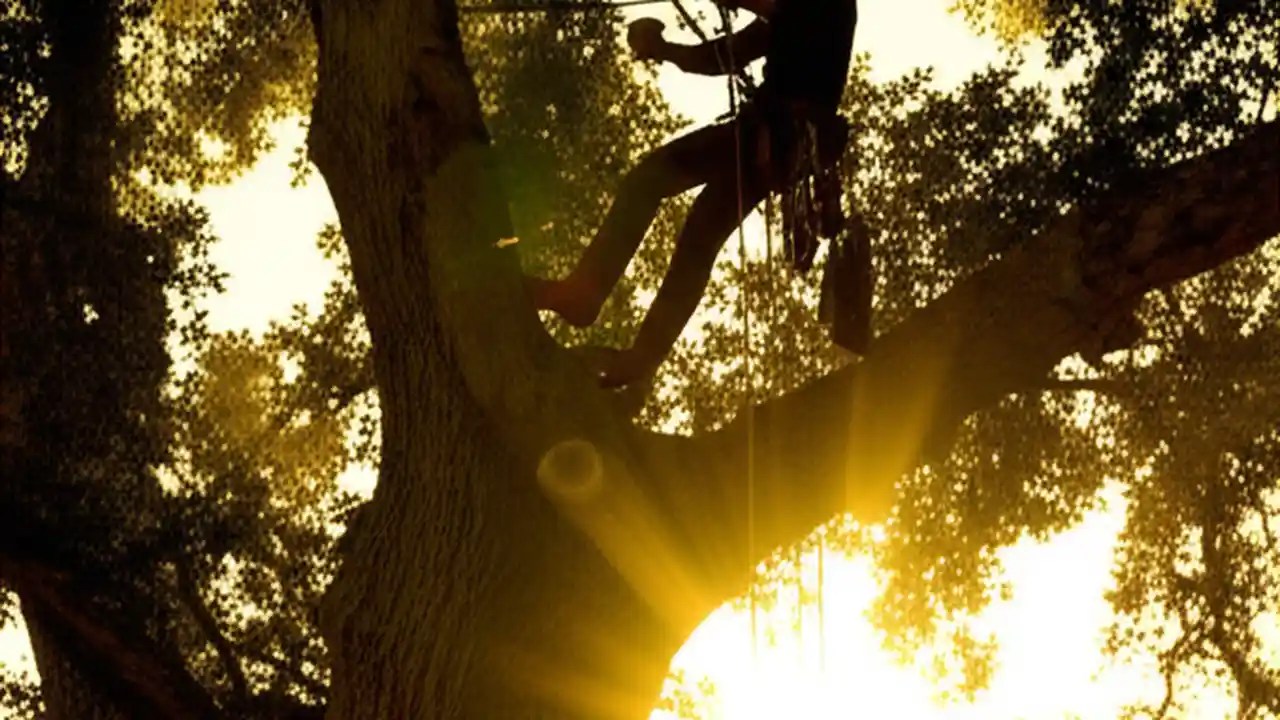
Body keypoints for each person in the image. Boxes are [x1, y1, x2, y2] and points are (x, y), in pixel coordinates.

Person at [526, 0, 859, 387]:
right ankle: (638, 359)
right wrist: (663, 50)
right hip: (771, 143)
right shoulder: (793, 17)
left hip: (777, 138)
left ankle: (586, 297)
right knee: (698, 243)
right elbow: (724, 56)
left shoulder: (829, 7)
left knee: (649, 182)